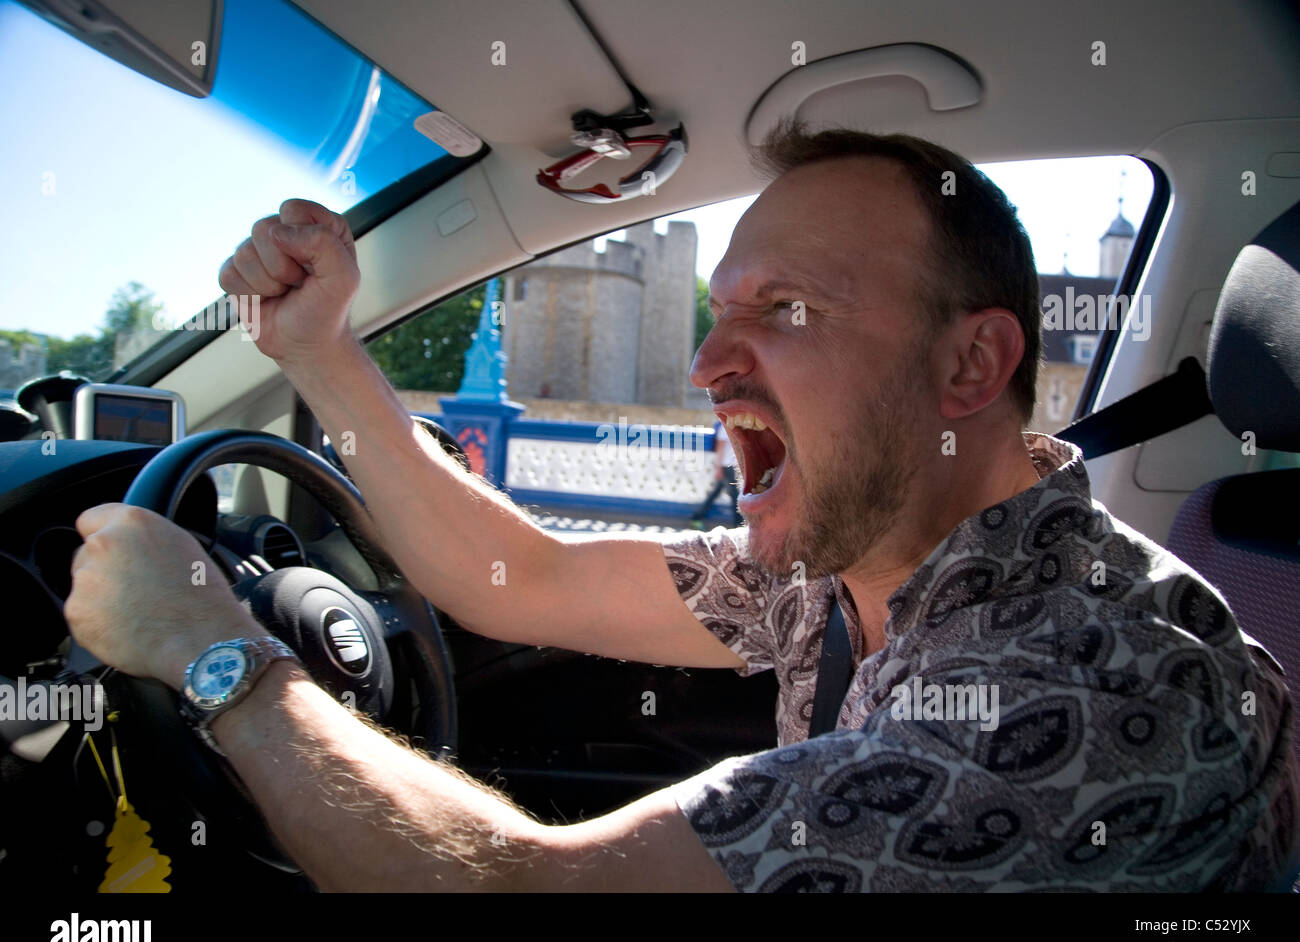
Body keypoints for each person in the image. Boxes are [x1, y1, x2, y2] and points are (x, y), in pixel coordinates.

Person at [65, 119, 1300, 892]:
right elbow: (524, 578)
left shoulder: (1072, 693)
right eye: (718, 311)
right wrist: (323, 352)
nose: (707, 364)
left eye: (786, 310)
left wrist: (215, 653)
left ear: (968, 369)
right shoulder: (853, 561)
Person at [690, 419, 740, 527]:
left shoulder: (735, 425)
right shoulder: (724, 427)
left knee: (716, 493)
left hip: (731, 466)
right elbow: (720, 448)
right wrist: (718, 468)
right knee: (735, 496)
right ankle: (738, 525)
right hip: (727, 466)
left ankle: (697, 517)